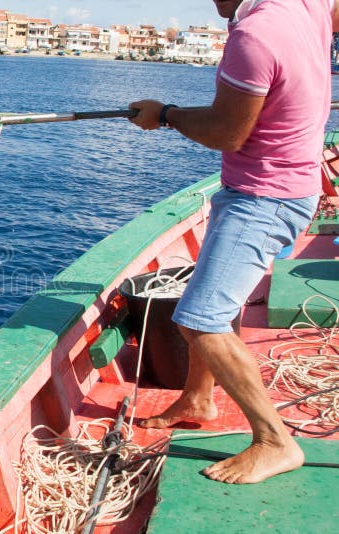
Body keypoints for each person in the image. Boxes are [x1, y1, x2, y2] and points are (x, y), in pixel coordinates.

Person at [128, 0, 339, 484]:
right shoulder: (306, 5)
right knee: (215, 293)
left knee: (200, 319)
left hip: (263, 200)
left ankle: (274, 441)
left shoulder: (255, 35)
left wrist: (165, 114)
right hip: (289, 186)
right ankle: (197, 398)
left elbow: (228, 132)